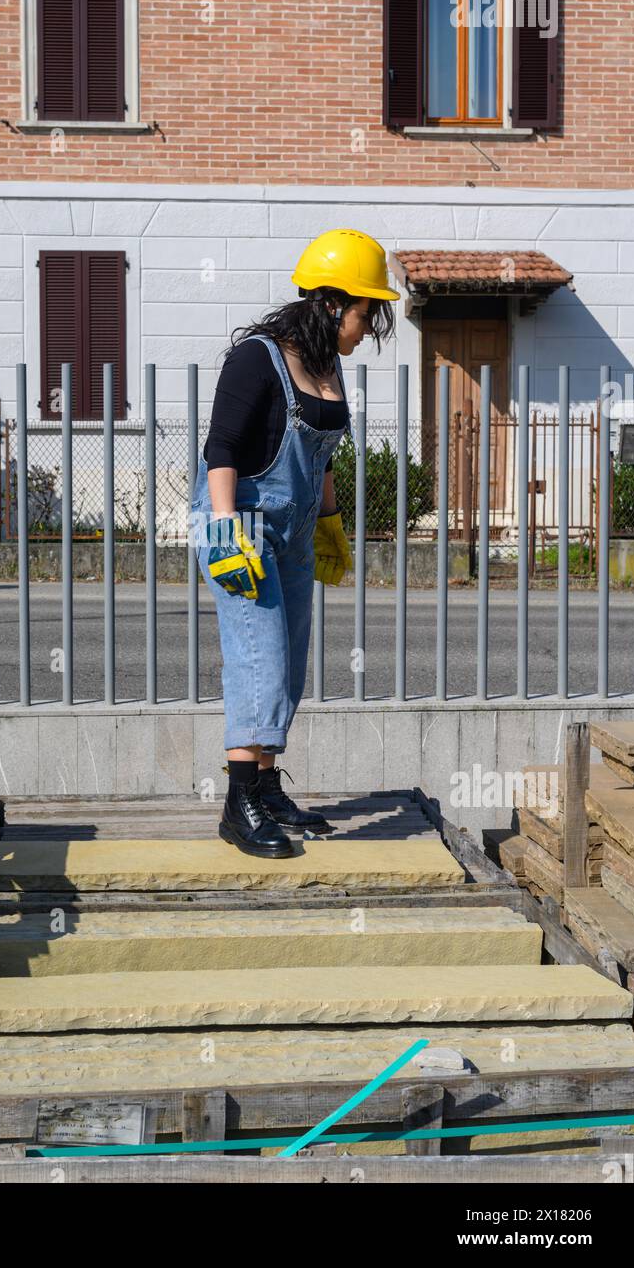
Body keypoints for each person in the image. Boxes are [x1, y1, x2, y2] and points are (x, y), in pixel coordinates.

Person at [190, 229, 399, 858]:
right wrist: (225, 531)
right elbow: (220, 448)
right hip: (243, 525)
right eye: (368, 313)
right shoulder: (257, 358)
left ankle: (268, 786)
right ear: (335, 304)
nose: (369, 329)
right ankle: (238, 803)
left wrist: (331, 521)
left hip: (298, 529)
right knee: (259, 658)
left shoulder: (327, 364)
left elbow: (323, 453)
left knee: (289, 658)